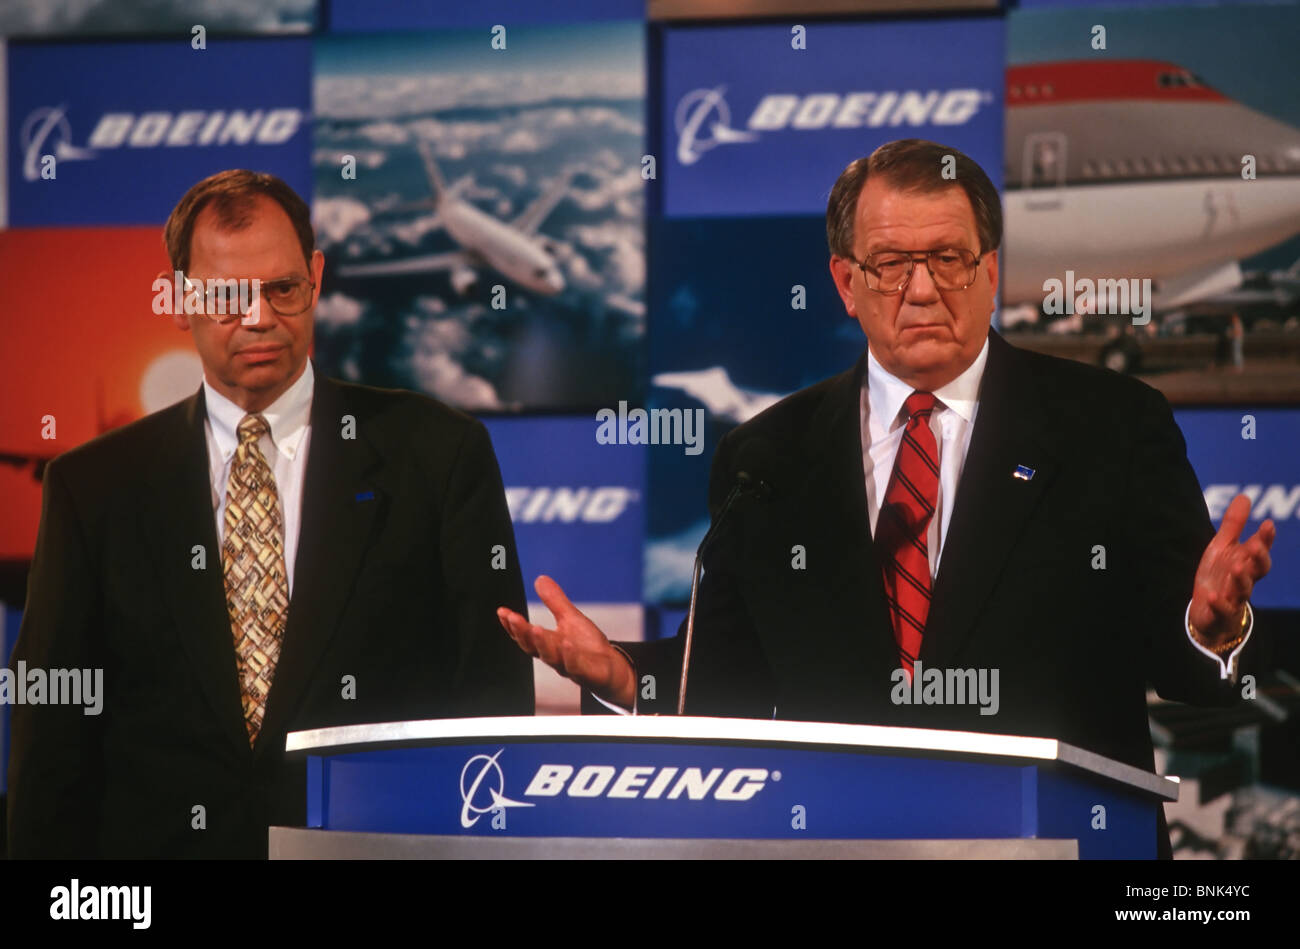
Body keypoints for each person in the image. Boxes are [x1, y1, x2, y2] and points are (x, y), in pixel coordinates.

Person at [497, 139, 1275, 856]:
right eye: (892, 262)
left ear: (991, 268)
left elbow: (1191, 670)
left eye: (949, 258)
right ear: (845, 282)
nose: (924, 289)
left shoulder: (1112, 425)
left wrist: (1215, 626)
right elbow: (730, 686)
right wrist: (627, 680)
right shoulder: (765, 454)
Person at [6, 170, 533, 858]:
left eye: (282, 289)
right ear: (179, 297)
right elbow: (53, 745)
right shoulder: (93, 487)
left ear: (315, 278)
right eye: (227, 295)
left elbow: (491, 713)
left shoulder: (438, 455)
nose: (258, 318)